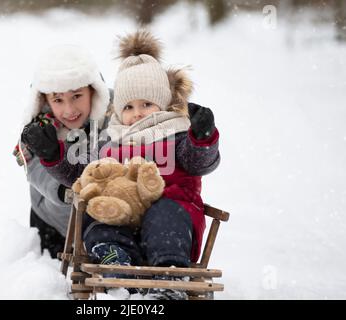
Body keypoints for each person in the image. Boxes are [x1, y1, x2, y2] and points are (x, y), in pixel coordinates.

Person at [37, 31, 220, 300]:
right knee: (100, 215)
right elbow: (79, 173)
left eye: (147, 104)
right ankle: (115, 260)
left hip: (170, 218)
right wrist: (53, 154)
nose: (137, 113)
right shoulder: (110, 142)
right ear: (118, 110)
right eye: (129, 106)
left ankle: (169, 278)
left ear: (164, 104)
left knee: (164, 214)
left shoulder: (177, 134)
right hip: (123, 218)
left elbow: (199, 161)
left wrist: (203, 138)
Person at [14, 44, 111, 258]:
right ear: (45, 100)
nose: (69, 110)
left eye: (77, 96)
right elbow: (35, 169)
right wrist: (61, 189)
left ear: (93, 90)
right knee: (52, 278)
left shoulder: (114, 114)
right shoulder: (40, 126)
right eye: (58, 100)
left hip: (105, 222)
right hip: (53, 219)